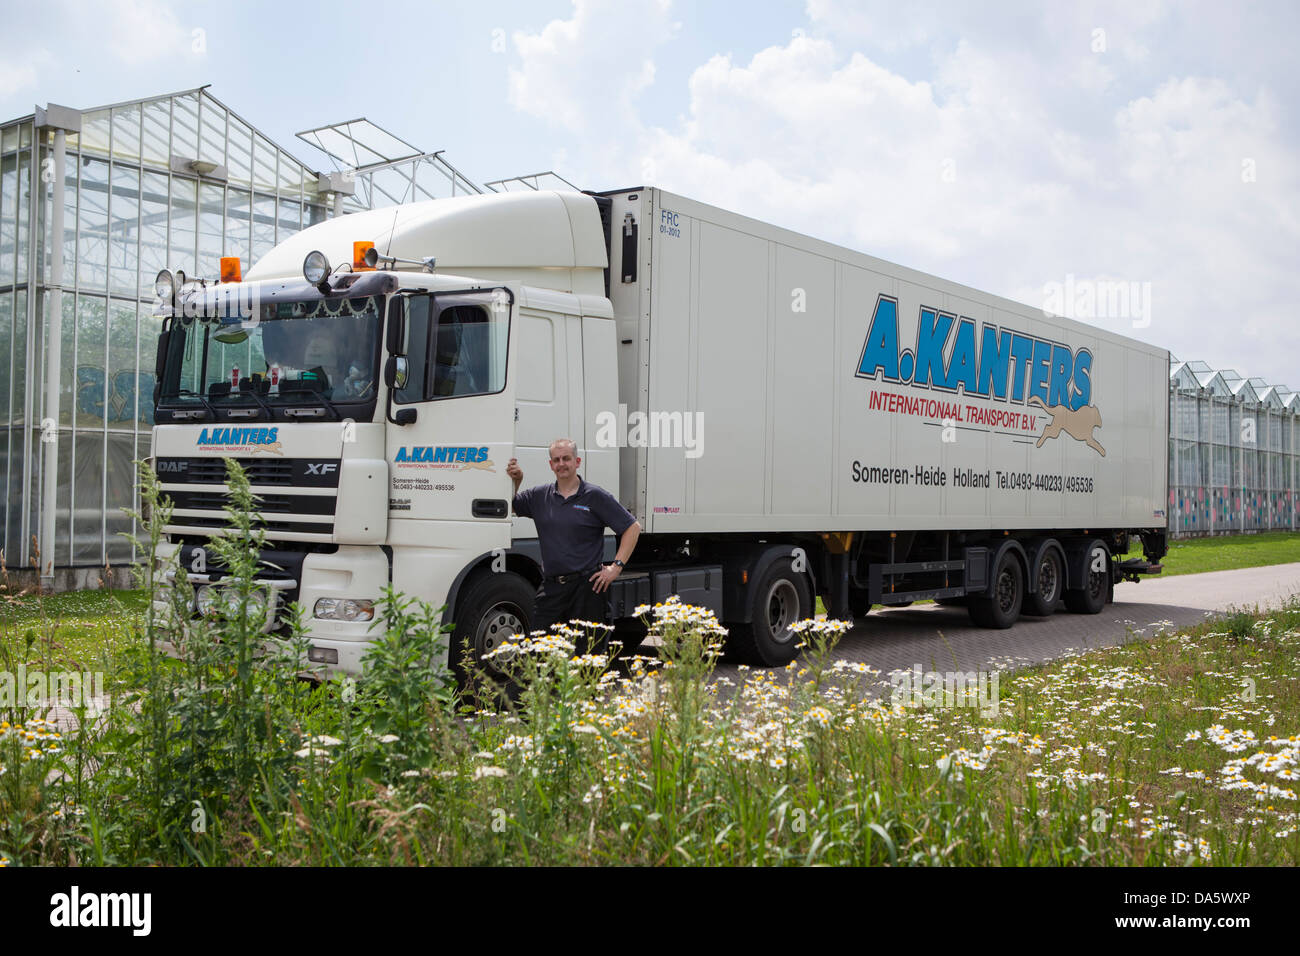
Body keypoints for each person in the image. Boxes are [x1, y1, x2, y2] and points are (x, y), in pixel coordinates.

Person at [507, 439, 641, 639]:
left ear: (577, 461)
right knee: (538, 650)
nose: (562, 464)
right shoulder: (539, 496)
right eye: (557, 460)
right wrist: (517, 480)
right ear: (551, 465)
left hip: (588, 588)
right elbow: (509, 505)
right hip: (552, 587)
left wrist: (616, 567)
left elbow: (632, 527)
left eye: (566, 459)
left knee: (587, 654)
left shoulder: (595, 496)